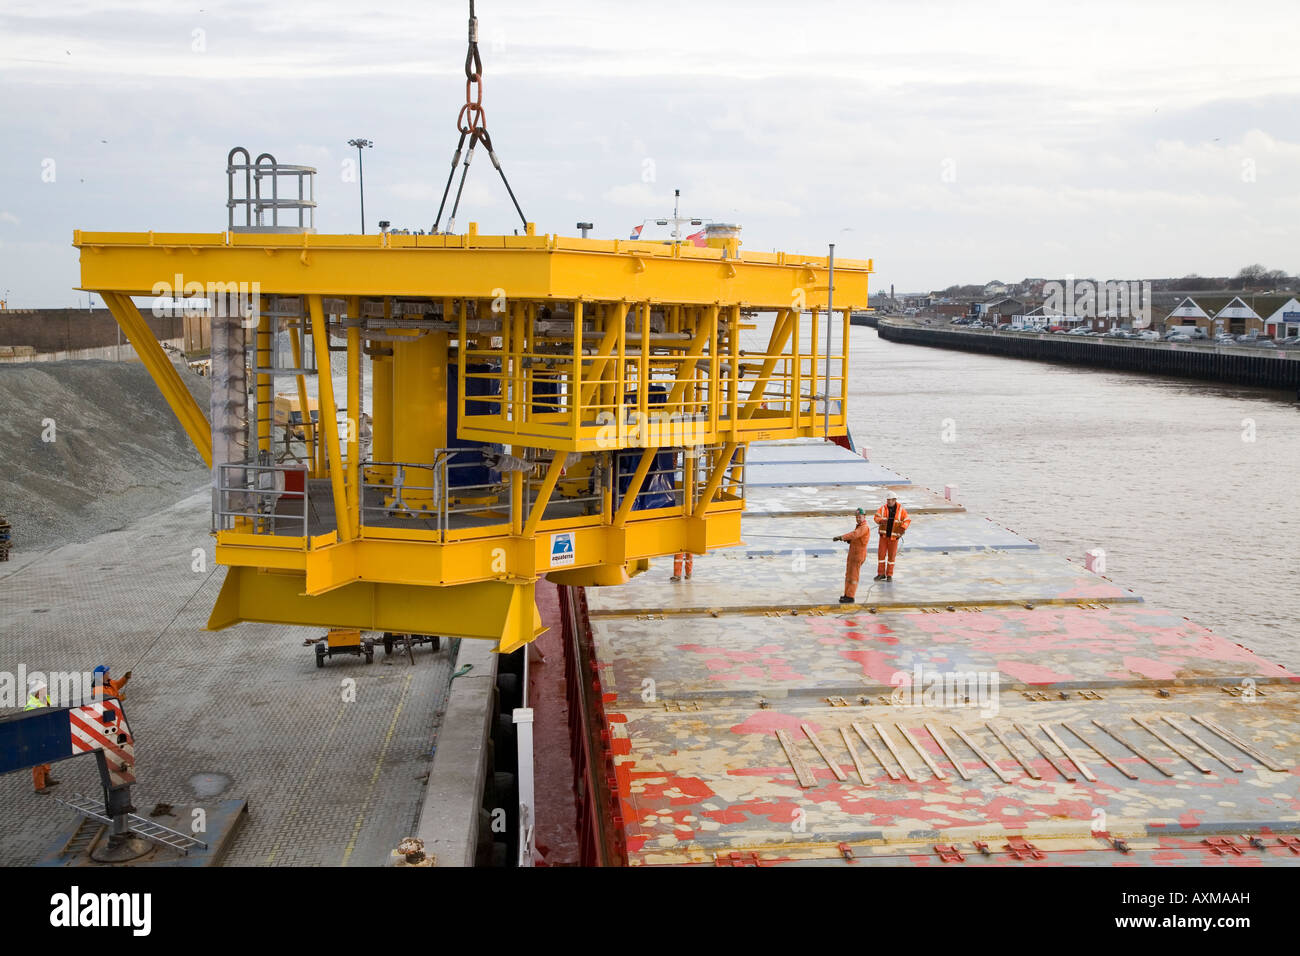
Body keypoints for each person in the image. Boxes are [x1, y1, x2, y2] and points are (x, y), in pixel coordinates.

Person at [25, 678, 59, 793]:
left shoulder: (46, 699)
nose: (45, 690)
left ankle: (46, 777)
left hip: (46, 733)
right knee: (38, 760)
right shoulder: (32, 705)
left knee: (47, 756)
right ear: (37, 691)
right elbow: (31, 723)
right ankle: (39, 787)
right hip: (36, 736)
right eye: (43, 689)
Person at [832, 509, 872, 603]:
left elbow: (855, 534)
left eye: (860, 517)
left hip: (858, 555)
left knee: (853, 576)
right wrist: (850, 540)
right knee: (848, 575)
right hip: (853, 555)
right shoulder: (859, 526)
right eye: (857, 517)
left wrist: (842, 537)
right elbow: (856, 537)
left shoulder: (864, 527)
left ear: (864, 517)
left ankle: (850, 597)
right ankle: (847, 594)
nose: (858, 519)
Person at [873, 492, 911, 581]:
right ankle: (881, 574)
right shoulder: (882, 508)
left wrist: (902, 528)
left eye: (891, 500)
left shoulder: (901, 510)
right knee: (881, 555)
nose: (889, 502)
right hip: (883, 536)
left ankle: (889, 575)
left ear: (895, 500)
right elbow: (876, 517)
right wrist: (881, 520)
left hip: (894, 537)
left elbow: (907, 520)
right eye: (888, 500)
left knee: (891, 556)